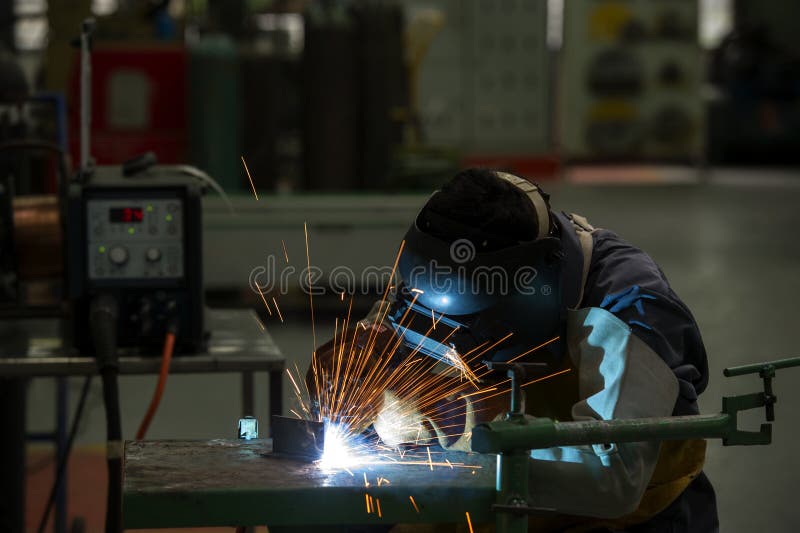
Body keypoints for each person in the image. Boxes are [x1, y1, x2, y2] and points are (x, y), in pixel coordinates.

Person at [309, 168, 718, 533]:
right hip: (507, 500)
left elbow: (613, 479)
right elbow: (382, 344)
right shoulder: (443, 263)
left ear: (532, 289)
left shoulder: (632, 307)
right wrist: (348, 376)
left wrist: (470, 428)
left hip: (627, 521)